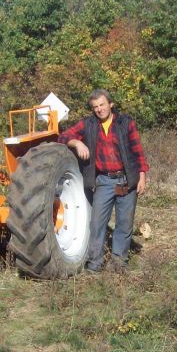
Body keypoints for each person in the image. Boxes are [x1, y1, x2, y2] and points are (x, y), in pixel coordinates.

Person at [58, 89, 149, 273]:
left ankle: (119, 261)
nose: (99, 109)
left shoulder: (125, 123)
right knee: (97, 223)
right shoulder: (88, 124)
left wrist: (142, 175)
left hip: (126, 179)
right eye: (95, 107)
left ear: (110, 104)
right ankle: (95, 264)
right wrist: (77, 143)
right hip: (104, 180)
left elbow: (137, 150)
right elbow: (63, 136)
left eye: (102, 105)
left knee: (124, 222)